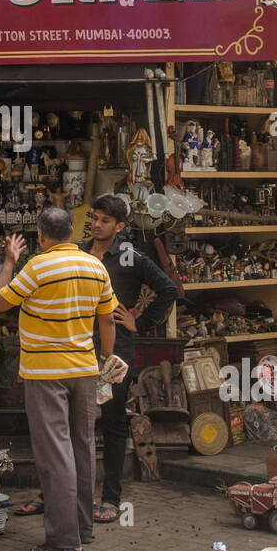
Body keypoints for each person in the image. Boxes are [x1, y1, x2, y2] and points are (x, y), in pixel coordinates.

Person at [0, 206, 118, 551]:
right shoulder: (95, 266)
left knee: (56, 453)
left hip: (46, 373)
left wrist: (8, 261)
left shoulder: (38, 265)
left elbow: (0, 302)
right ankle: (82, 529)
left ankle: (64, 541)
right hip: (86, 370)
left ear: (42, 236)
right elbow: (107, 320)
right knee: (83, 447)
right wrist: (106, 359)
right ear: (71, 233)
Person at [84, 194, 179, 523]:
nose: (97, 224)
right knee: (70, 422)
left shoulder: (129, 256)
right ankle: (61, 495)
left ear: (120, 226)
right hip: (79, 349)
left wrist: (141, 320)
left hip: (116, 353)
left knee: (112, 423)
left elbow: (169, 289)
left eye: (105, 220)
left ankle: (110, 498)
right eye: (94, 218)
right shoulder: (79, 253)